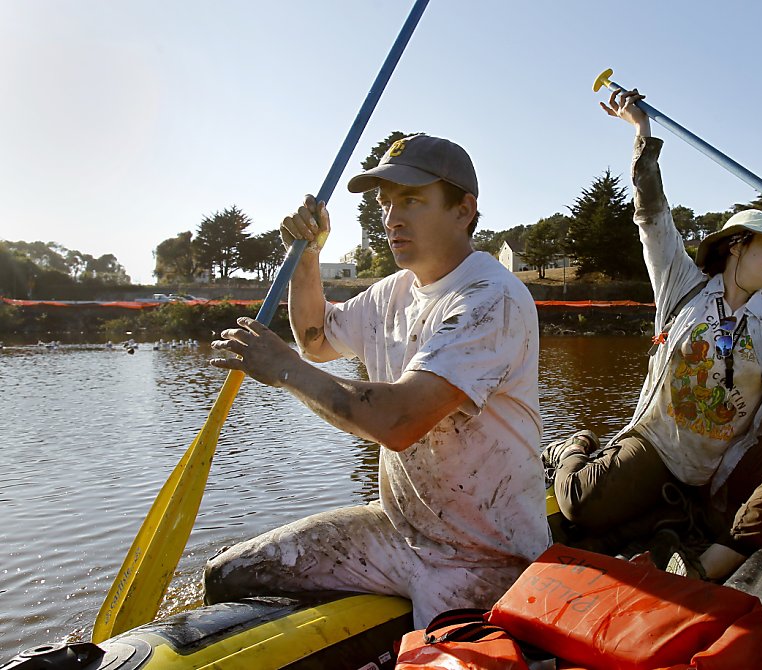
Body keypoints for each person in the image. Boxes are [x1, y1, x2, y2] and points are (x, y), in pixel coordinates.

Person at [203, 134, 549, 627]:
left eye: (412, 200)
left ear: (464, 210)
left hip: (486, 558)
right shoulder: (392, 293)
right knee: (229, 574)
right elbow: (315, 339)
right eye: (386, 204)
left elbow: (399, 420)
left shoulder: (492, 299)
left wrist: (283, 370)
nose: (391, 218)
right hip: (400, 531)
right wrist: (307, 258)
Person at [544, 89, 762, 581]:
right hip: (660, 446)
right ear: (737, 246)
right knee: (579, 506)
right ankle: (573, 445)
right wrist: (642, 133)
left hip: (730, 462)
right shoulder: (683, 285)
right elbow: (652, 217)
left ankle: (710, 562)